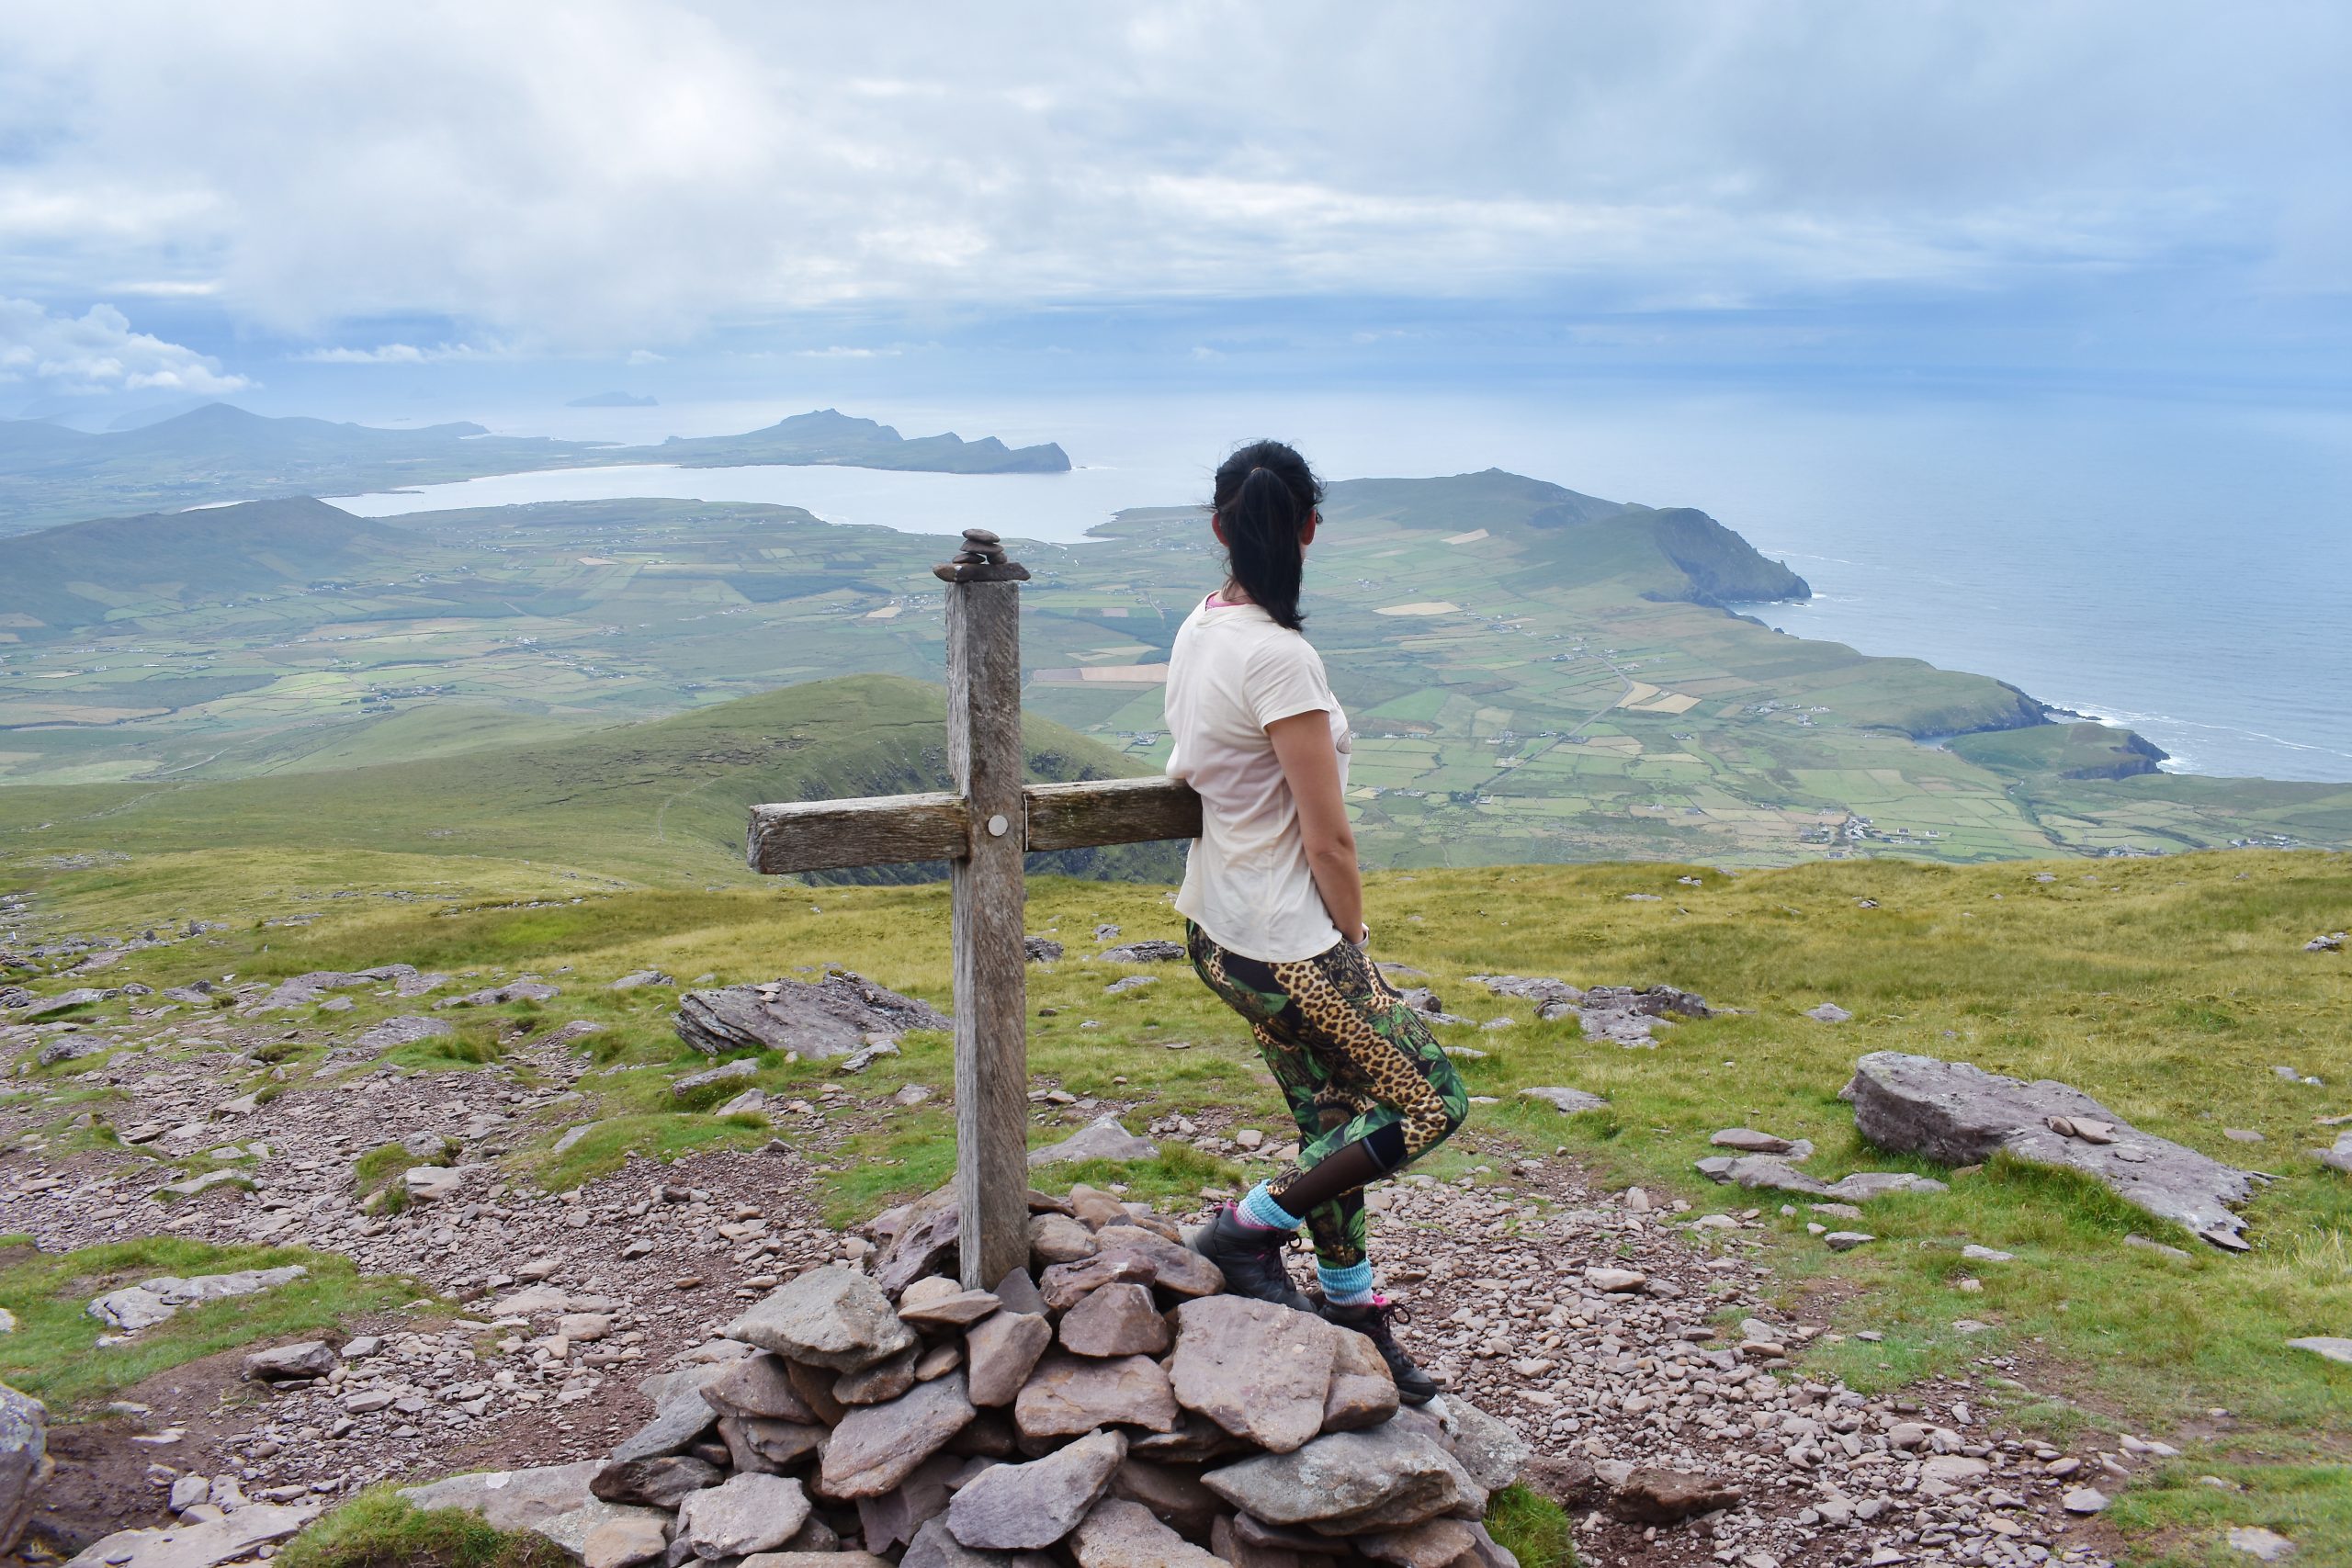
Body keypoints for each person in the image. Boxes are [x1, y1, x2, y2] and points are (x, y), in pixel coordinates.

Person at [1168, 439, 1468, 1404]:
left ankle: (1350, 1306)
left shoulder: (1203, 627)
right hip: (1288, 938)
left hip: (1217, 931)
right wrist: (1355, 945)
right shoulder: (1281, 659)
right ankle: (1247, 1228)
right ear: (1307, 529)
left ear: (1220, 529)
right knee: (1430, 1104)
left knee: (1332, 1118)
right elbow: (1328, 839)